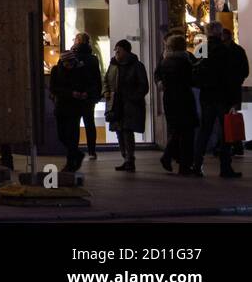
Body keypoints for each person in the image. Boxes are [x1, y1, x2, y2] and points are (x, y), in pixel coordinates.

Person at [194, 21, 241, 178]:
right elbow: (231, 77)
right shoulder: (225, 50)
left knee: (204, 130)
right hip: (223, 96)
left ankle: (197, 164)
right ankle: (225, 167)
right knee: (225, 131)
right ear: (220, 33)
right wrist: (234, 99)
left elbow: (196, 72)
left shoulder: (202, 48)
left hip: (207, 95)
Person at [155, 34, 199, 175]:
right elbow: (192, 80)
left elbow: (159, 77)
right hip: (183, 99)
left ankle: (170, 158)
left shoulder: (165, 62)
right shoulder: (184, 62)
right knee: (187, 132)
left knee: (176, 130)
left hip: (169, 99)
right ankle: (182, 164)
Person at [103, 39, 148, 172]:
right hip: (116, 103)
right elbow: (106, 80)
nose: (116, 52)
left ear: (126, 51)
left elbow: (143, 85)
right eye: (116, 50)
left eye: (119, 50)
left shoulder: (137, 66)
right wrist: (106, 92)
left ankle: (130, 159)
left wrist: (133, 97)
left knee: (127, 131)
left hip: (130, 104)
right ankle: (125, 157)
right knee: (118, 131)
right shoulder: (113, 65)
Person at [50, 46, 94, 171]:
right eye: (67, 63)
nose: (69, 65)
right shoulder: (56, 71)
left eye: (71, 63)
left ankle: (70, 162)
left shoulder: (80, 71)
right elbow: (54, 89)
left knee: (73, 136)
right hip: (62, 107)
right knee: (62, 136)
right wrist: (71, 93)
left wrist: (85, 93)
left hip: (75, 108)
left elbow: (88, 85)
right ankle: (77, 154)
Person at [72, 32, 103, 159]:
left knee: (74, 124)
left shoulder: (72, 56)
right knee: (89, 123)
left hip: (74, 96)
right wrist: (94, 94)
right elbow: (97, 79)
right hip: (88, 96)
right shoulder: (93, 58)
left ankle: (73, 150)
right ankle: (92, 151)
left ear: (78, 41)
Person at [222, 26, 249, 158]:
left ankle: (231, 145)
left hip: (224, 89)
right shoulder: (238, 50)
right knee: (233, 116)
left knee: (225, 117)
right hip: (233, 88)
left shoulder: (211, 49)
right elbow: (245, 70)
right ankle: (235, 144)